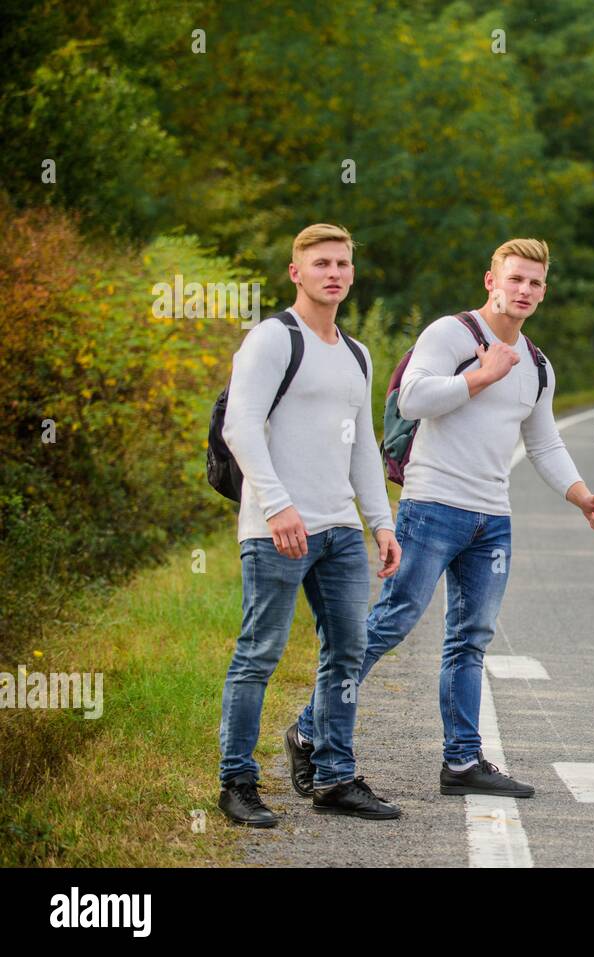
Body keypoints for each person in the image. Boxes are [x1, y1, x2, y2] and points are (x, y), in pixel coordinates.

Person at [287, 238, 594, 799]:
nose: (525, 291)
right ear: (492, 281)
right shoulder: (451, 335)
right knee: (391, 622)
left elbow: (543, 443)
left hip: (493, 521)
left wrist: (581, 496)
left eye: (535, 283)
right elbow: (412, 399)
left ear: (544, 290)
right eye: (515, 279)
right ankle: (309, 729)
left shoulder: (536, 364)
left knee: (471, 640)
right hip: (431, 507)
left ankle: (462, 762)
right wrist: (480, 377)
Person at [218, 223, 402, 827]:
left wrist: (380, 523)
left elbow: (360, 449)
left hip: (340, 531)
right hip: (276, 529)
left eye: (343, 264)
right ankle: (237, 784)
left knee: (347, 653)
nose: (334, 273)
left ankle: (333, 776)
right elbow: (239, 427)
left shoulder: (356, 354)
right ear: (296, 272)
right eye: (321, 263)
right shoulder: (273, 339)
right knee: (259, 655)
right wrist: (276, 506)